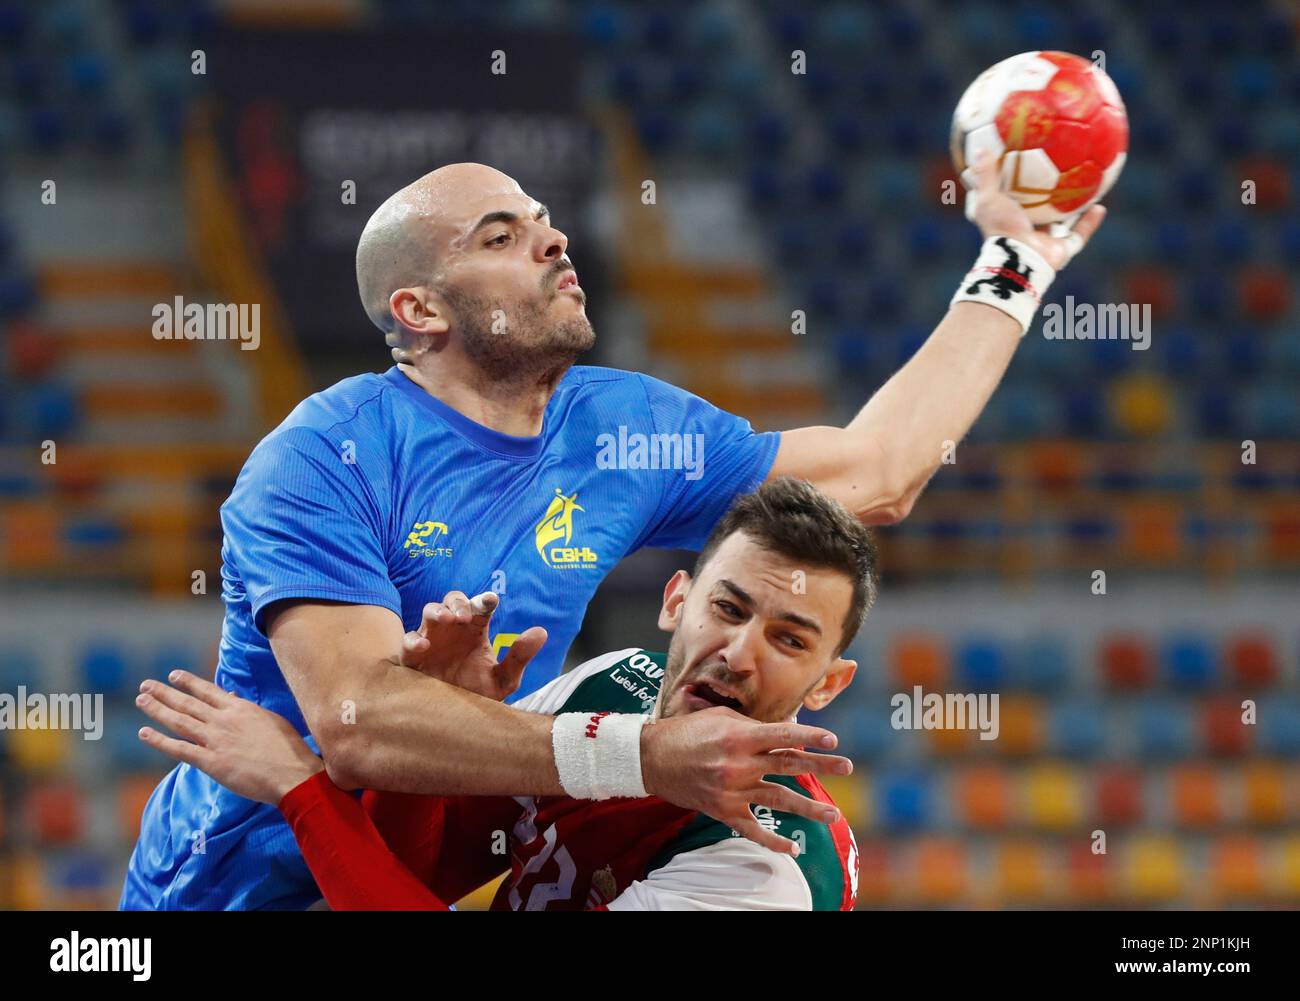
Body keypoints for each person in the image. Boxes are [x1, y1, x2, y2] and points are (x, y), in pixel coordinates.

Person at [122, 152, 1104, 909]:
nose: (553, 242)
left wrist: (1014, 264)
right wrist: (645, 753)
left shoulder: (624, 429)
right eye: (501, 236)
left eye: (547, 225)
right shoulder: (329, 452)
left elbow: (879, 471)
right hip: (225, 884)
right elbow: (357, 722)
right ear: (418, 309)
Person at [138, 479, 874, 909]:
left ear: (830, 681)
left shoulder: (769, 870)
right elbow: (426, 868)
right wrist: (434, 725)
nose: (739, 653)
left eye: (790, 639)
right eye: (730, 608)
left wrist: (300, 785)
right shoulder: (610, 683)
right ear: (676, 602)